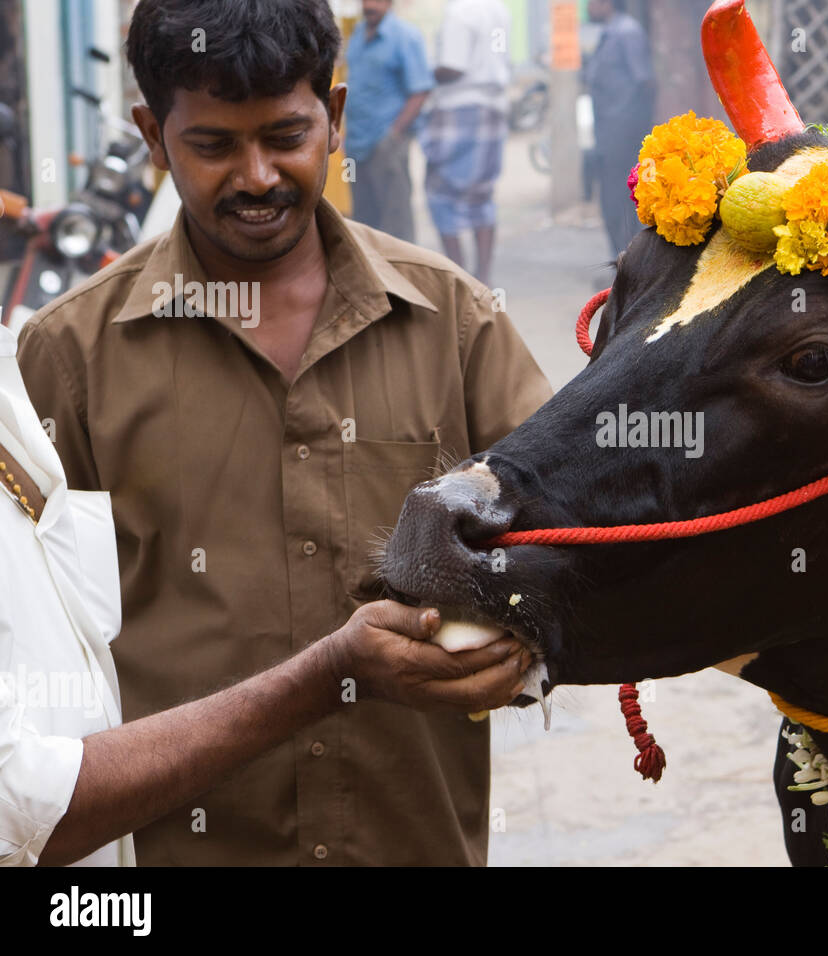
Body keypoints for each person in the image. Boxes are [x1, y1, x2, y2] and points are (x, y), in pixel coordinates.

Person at [17, 0, 553, 866]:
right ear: (153, 138)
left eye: (286, 134)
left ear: (335, 119)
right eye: (214, 145)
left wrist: (523, 650)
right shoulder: (66, 358)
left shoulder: (456, 322)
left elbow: (570, 549)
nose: (259, 176)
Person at [0, 321, 530, 867]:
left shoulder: (458, 320)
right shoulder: (70, 346)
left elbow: (568, 539)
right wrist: (330, 674)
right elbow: (19, 809)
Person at [420, 0, 512, 284]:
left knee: (441, 194)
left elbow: (453, 67)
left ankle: (460, 280)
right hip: (492, 106)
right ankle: (482, 278)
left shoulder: (460, 12)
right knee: (481, 195)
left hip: (460, 107)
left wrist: (425, 72)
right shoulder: (497, 9)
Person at [344, 0, 432, 240]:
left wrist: (393, 135)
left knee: (396, 224)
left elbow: (420, 90)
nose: (369, 5)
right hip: (356, 144)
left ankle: (399, 277)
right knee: (363, 225)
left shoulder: (405, 36)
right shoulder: (358, 33)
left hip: (386, 144)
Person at [584, 0, 656, 260]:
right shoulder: (609, 33)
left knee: (622, 198)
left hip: (623, 132)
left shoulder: (627, 32)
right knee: (611, 198)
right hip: (608, 130)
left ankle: (630, 262)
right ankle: (620, 259)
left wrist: (633, 128)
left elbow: (645, 81)